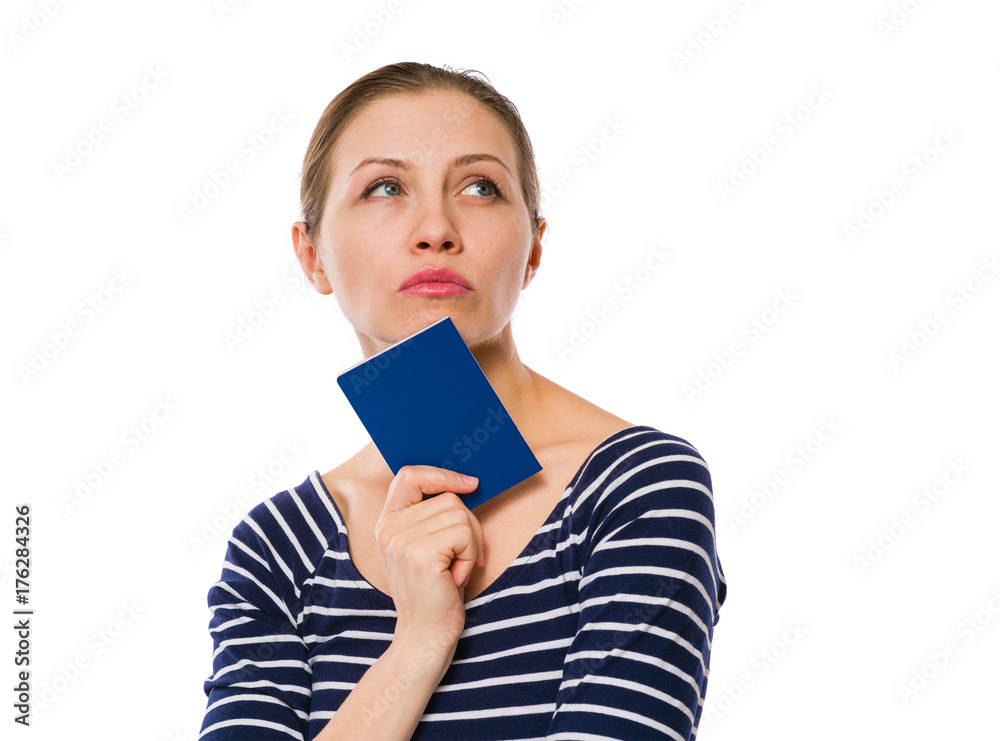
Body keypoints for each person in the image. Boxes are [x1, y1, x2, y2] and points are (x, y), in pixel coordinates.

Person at [199, 61, 727, 740]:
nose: (436, 228)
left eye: (480, 187)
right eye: (385, 187)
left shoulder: (640, 484)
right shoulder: (277, 548)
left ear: (534, 247)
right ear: (313, 256)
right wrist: (417, 642)